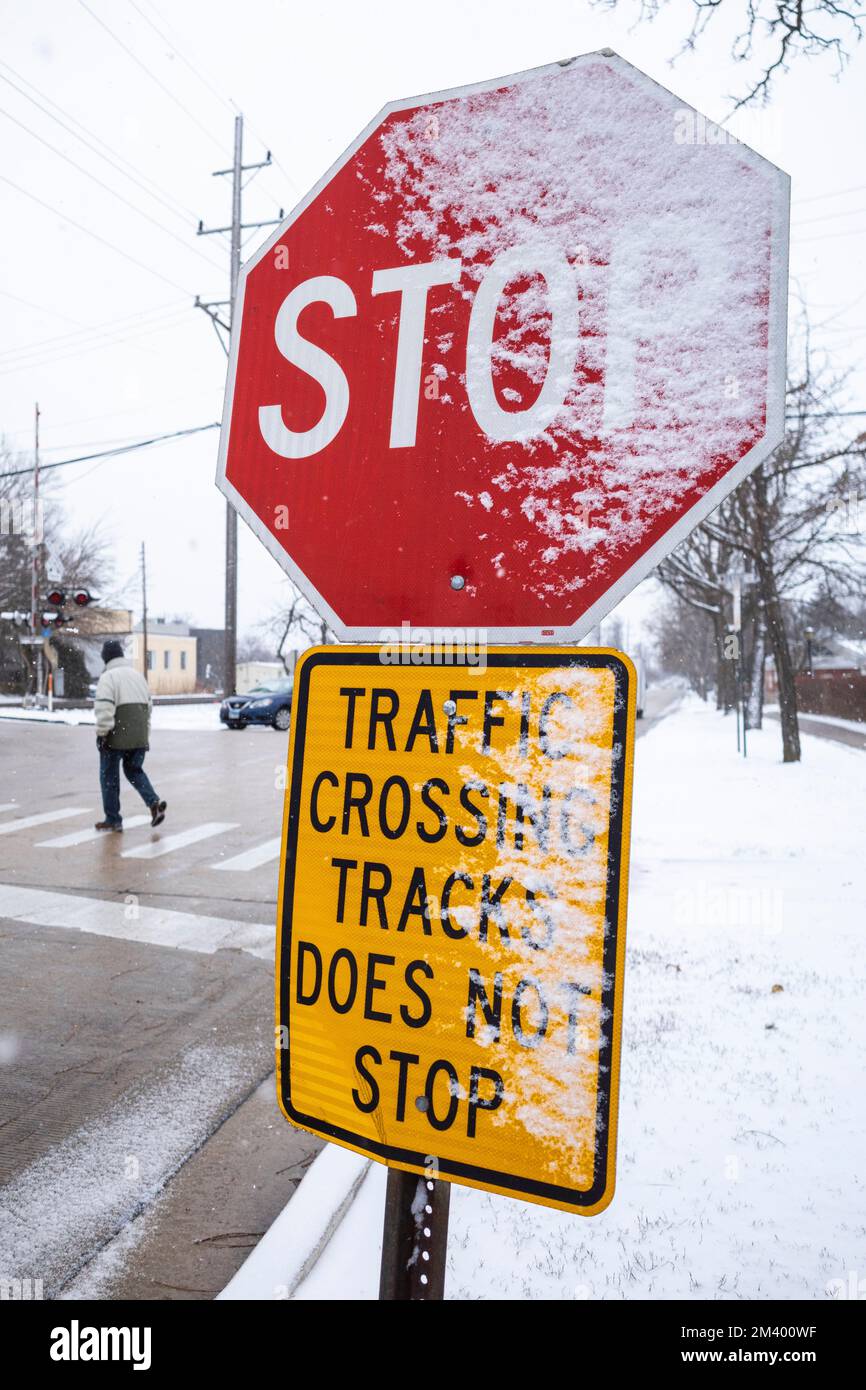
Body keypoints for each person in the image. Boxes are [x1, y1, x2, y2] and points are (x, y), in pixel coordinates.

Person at [93, 639, 167, 832]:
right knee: (134, 770)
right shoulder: (138, 676)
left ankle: (113, 818)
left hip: (116, 735)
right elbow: (148, 709)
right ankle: (153, 804)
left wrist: (103, 734)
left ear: (105, 658)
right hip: (139, 735)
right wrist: (145, 736)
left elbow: (104, 708)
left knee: (109, 776)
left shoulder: (108, 677)